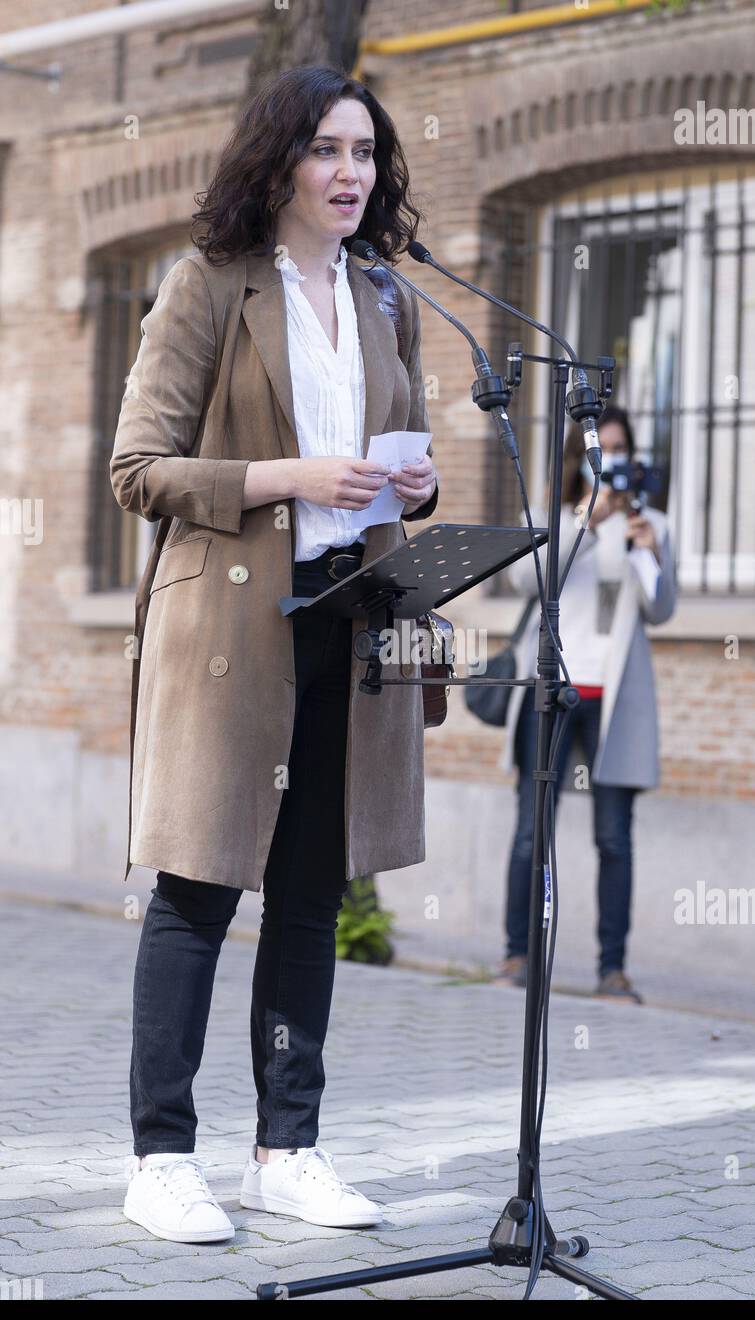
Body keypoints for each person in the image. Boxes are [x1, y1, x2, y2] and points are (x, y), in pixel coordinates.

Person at [110, 65, 439, 1243]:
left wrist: (418, 476)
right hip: (230, 632)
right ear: (279, 162)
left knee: (309, 896)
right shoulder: (207, 284)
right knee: (197, 887)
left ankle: (284, 1147)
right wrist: (283, 480)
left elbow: (416, 447)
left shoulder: (388, 299)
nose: (349, 172)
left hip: (349, 624)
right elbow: (137, 469)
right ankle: (160, 1156)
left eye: (363, 152)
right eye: (326, 150)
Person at [493, 405, 676, 1001]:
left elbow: (662, 608)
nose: (613, 461)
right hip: (551, 693)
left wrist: (645, 548)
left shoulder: (654, 524)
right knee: (531, 830)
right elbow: (525, 582)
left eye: (621, 450)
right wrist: (582, 520)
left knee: (614, 837)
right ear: (580, 458)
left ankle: (612, 969)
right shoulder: (555, 516)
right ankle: (517, 955)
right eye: (603, 451)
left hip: (615, 699)